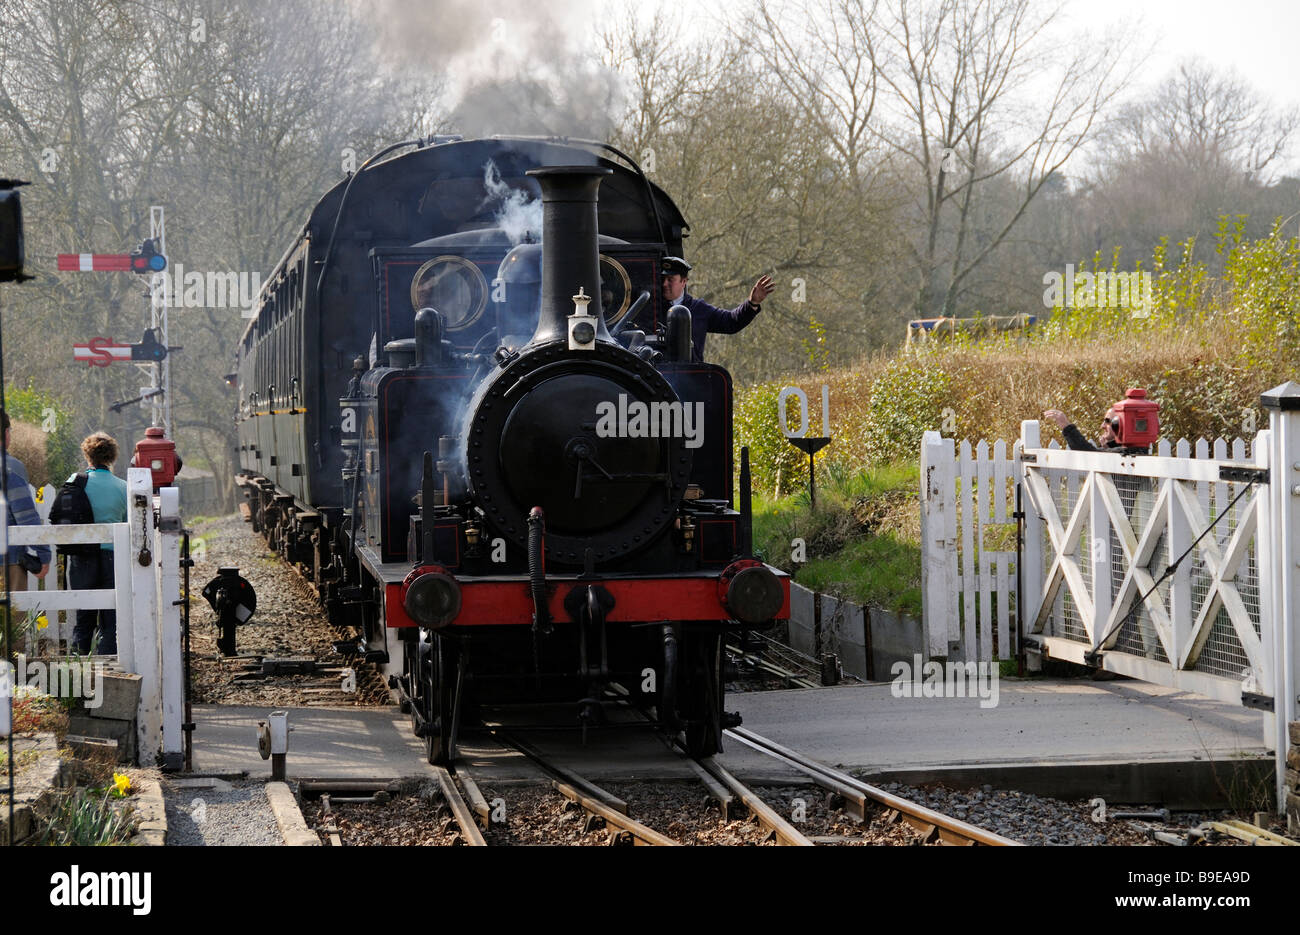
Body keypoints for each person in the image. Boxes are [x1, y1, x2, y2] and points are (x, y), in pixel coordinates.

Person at [68, 432, 127, 655]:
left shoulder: (75, 483)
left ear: (87, 456)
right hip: (113, 558)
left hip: (82, 557)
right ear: (112, 457)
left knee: (84, 616)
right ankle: (110, 665)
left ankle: (77, 667)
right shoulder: (122, 487)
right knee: (112, 617)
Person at [660, 256, 775, 362]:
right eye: (663, 279)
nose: (665, 284)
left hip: (692, 378)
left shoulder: (698, 309)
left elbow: (731, 321)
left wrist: (752, 303)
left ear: (683, 282)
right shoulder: (651, 308)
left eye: (670, 279)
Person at [2, 411, 51, 633]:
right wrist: (43, 554)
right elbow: (26, 517)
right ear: (6, 433)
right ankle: (12, 666)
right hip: (9, 560)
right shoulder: (10, 469)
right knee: (13, 624)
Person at [1043, 408, 1121, 452]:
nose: (1102, 426)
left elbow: (1087, 453)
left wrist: (1066, 426)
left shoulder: (1128, 450)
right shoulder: (1118, 447)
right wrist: (1107, 448)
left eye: (1107, 421)